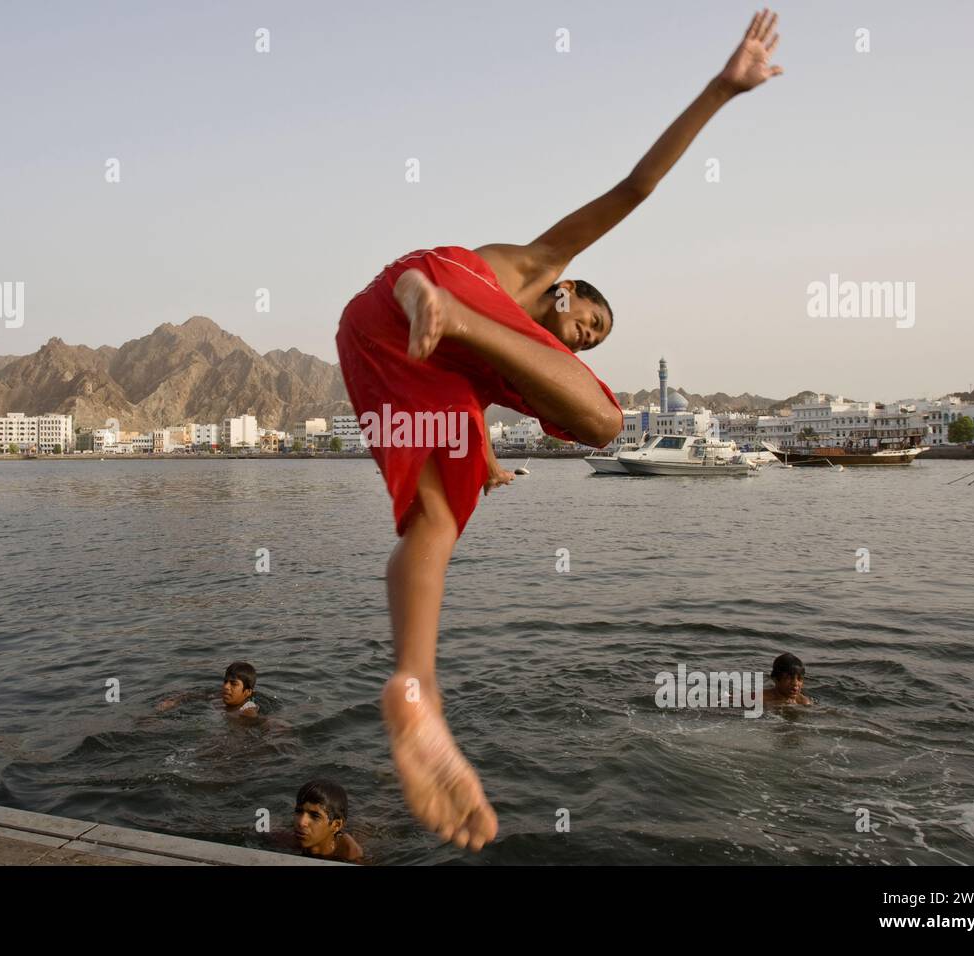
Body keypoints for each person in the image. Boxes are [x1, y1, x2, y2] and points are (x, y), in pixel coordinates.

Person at [335, 11, 785, 851]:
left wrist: (481, 450)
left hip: (389, 344)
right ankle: (449, 317)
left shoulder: (517, 364)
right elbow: (635, 189)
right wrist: (722, 91)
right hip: (425, 293)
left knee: (438, 516)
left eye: (596, 342)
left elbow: (467, 391)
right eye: (588, 323)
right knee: (595, 408)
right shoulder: (538, 262)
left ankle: (413, 692)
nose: (585, 337)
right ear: (568, 290)